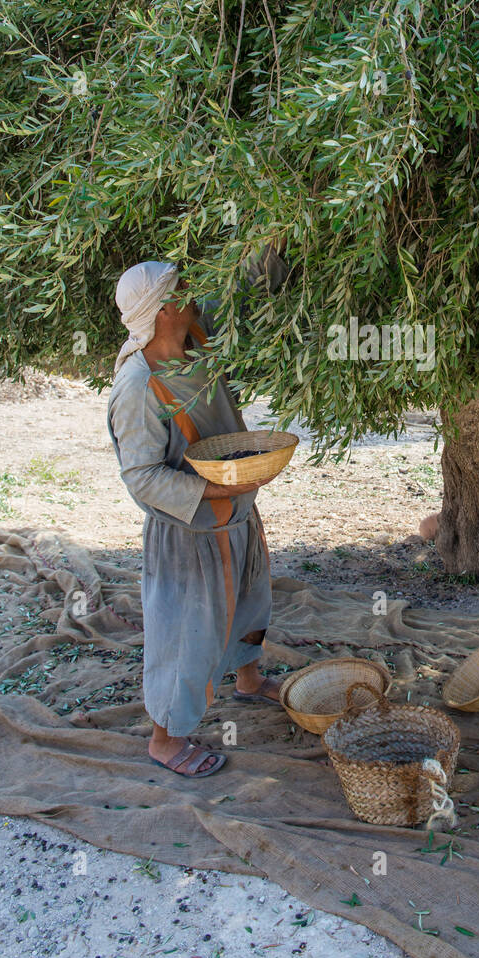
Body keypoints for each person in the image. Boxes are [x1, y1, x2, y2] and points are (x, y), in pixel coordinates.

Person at [107, 254, 287, 777]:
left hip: (235, 513)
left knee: (251, 602)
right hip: (189, 533)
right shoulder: (140, 388)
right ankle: (166, 738)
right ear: (163, 310)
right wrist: (215, 487)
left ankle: (248, 679)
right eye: (180, 288)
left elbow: (245, 285)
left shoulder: (195, 334)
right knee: (187, 633)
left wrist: (278, 233)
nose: (192, 291)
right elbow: (141, 476)